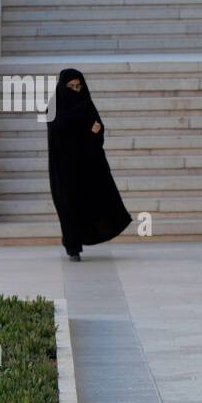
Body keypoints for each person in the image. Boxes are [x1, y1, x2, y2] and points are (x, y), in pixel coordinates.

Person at [46, 69, 133, 261]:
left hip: (88, 166)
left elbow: (97, 129)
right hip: (65, 168)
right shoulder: (54, 106)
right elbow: (59, 130)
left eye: (79, 86)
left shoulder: (86, 103)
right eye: (72, 87)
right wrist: (86, 130)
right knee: (68, 206)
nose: (76, 91)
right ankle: (72, 246)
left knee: (93, 202)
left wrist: (94, 132)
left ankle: (82, 238)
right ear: (63, 87)